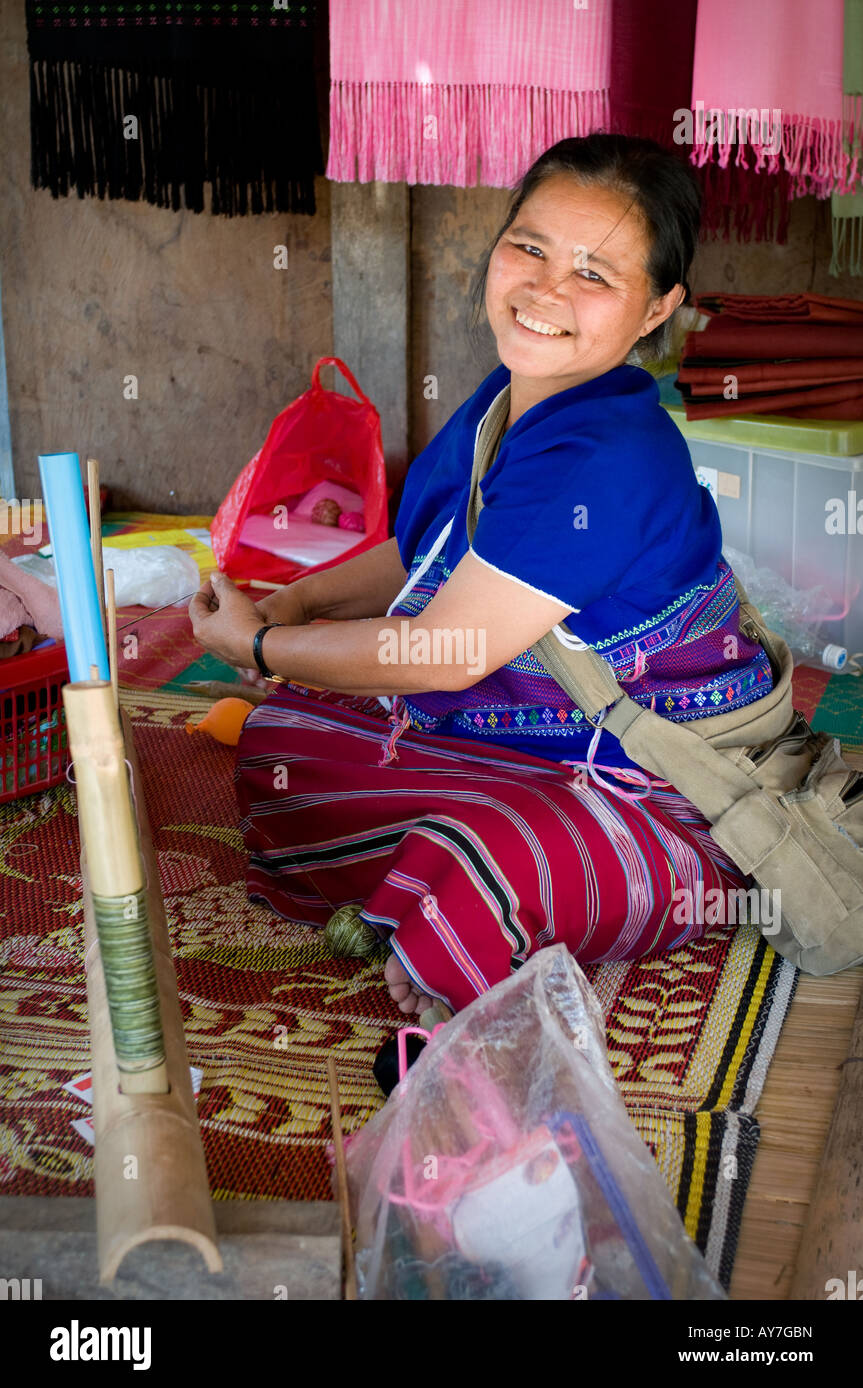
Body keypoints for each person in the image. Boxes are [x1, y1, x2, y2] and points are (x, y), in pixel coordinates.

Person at [190, 133, 773, 1017]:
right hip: (528, 740)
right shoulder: (509, 398)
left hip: (661, 789)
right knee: (285, 741)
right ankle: (439, 882)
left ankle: (464, 903)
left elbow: (440, 655)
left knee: (486, 861)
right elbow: (424, 549)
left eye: (595, 273)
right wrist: (296, 603)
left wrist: (267, 643)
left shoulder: (609, 454)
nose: (545, 290)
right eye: (528, 247)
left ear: (656, 309)